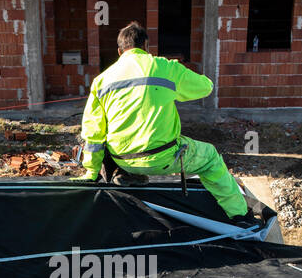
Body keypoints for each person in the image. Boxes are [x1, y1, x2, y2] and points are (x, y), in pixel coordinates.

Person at [79, 21, 258, 222]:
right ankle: (241, 215)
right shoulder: (165, 67)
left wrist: (92, 171)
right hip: (163, 158)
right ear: (146, 47)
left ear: (120, 52)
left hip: (122, 159)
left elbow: (93, 134)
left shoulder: (102, 80)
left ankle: (129, 174)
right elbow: (206, 87)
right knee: (210, 158)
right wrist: (174, 83)